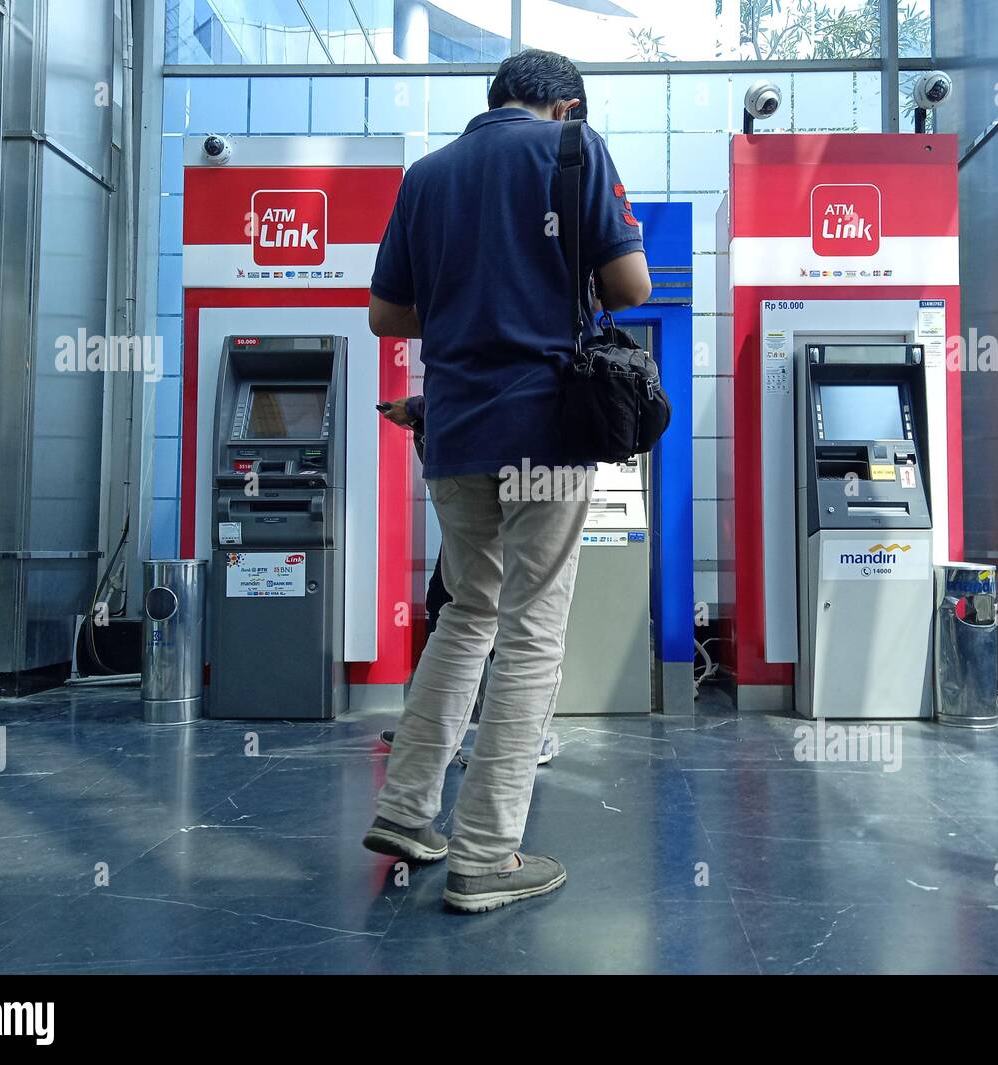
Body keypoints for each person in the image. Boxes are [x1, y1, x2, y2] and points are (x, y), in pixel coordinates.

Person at [361, 48, 651, 913]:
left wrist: (468, 303)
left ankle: (409, 807)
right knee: (533, 629)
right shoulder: (573, 150)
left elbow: (386, 313)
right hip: (545, 429)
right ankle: (488, 851)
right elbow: (629, 285)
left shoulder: (426, 175)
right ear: (566, 107)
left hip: (453, 430)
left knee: (467, 612)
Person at [376, 397, 558, 768]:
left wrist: (415, 409)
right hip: (507, 474)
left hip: (502, 476)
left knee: (493, 615)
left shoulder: (486, 351)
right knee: (455, 605)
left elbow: (486, 390)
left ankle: (521, 738)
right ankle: (435, 732)